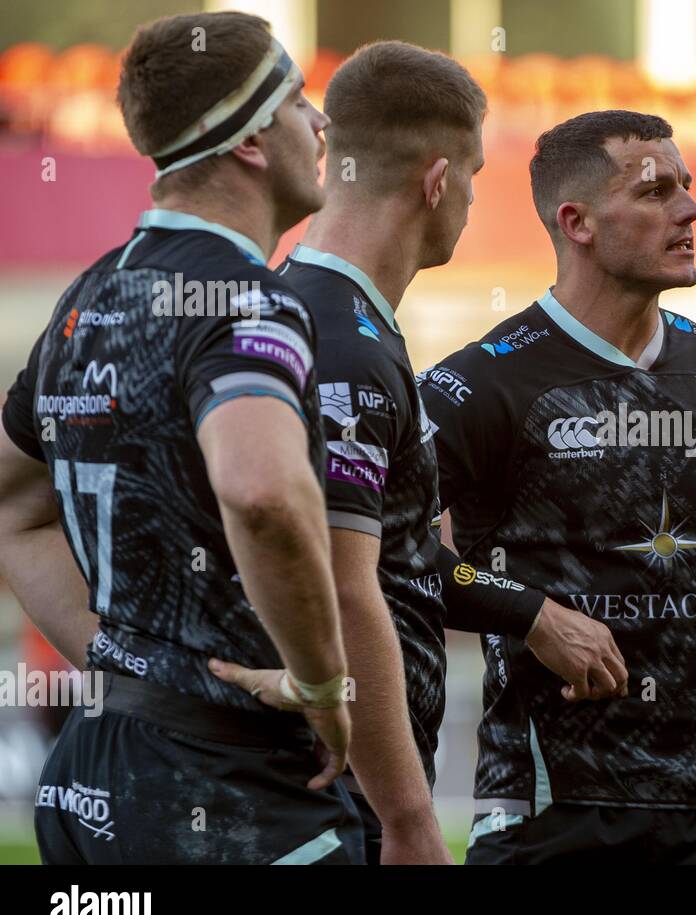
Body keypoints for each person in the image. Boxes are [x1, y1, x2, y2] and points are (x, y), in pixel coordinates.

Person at [211, 42, 627, 865]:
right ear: (438, 180)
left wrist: (526, 609)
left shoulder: (312, 312)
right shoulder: (342, 343)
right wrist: (405, 815)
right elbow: (343, 580)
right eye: (472, 174)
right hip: (326, 794)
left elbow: (397, 555)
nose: (471, 199)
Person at [0, 11, 362, 864]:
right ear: (245, 140)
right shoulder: (248, 298)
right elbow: (262, 492)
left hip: (90, 777)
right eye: (299, 101)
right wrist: (321, 682)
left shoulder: (82, 301)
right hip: (224, 788)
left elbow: (11, 511)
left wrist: (118, 661)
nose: (321, 125)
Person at [419, 110, 696, 863]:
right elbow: (379, 542)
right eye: (656, 192)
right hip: (547, 812)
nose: (690, 209)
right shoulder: (481, 382)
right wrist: (530, 613)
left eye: (689, 187)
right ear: (576, 221)